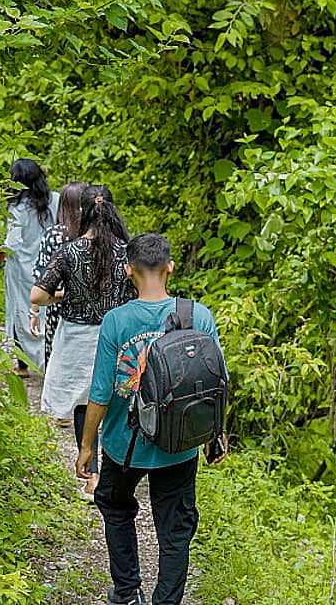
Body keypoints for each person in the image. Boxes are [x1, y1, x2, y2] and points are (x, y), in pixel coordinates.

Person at [76, 233, 227, 605]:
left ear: (128, 271)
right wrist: (215, 434)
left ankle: (127, 592)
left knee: (115, 508)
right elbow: (216, 383)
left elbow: (100, 392)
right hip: (179, 443)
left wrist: (87, 446)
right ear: (170, 267)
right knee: (175, 530)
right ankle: (166, 601)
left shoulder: (116, 320)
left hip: (123, 444)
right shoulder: (198, 315)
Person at [32, 185, 135, 497]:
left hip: (77, 335)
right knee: (117, 399)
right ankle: (118, 470)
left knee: (82, 402)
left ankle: (91, 475)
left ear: (83, 213)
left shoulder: (70, 251)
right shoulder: (128, 251)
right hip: (117, 332)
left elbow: (38, 294)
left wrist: (63, 295)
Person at [1, 158, 59, 374]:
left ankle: (23, 365)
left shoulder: (16, 207)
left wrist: (1, 249)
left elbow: (13, 241)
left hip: (20, 269)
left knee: (20, 311)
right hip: (49, 265)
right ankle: (51, 360)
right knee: (49, 312)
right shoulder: (55, 200)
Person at [31, 180, 87, 371]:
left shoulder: (53, 235)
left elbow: (40, 276)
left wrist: (35, 312)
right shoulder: (95, 234)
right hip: (93, 311)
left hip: (58, 308)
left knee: (57, 360)